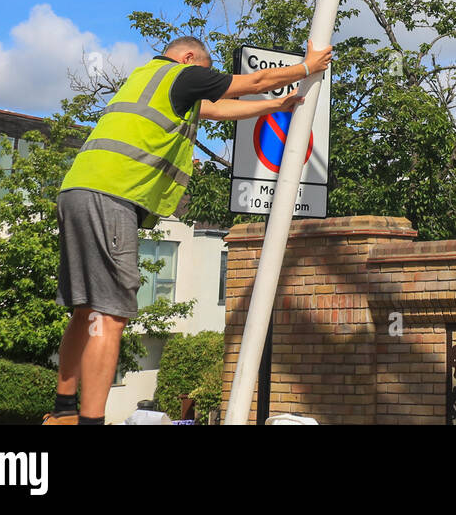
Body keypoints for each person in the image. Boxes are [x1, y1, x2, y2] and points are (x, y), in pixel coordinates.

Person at [43, 35, 332, 425]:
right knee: (110, 314)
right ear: (190, 58)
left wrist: (275, 106)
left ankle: (63, 411)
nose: (206, 78)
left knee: (86, 310)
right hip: (112, 197)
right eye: (204, 70)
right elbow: (249, 82)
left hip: (78, 190)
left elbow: (216, 110)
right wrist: (306, 68)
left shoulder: (147, 79)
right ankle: (90, 421)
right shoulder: (183, 75)